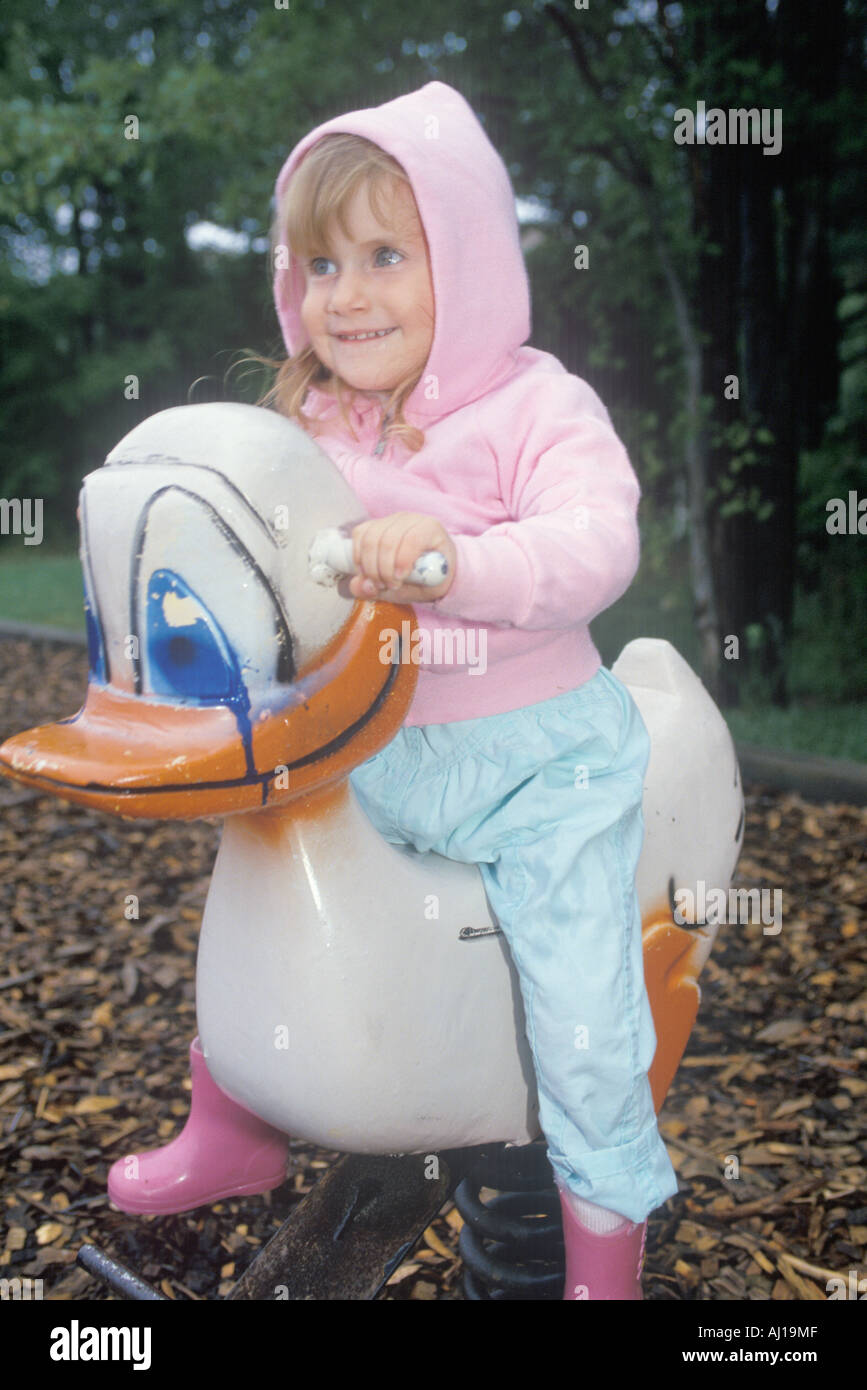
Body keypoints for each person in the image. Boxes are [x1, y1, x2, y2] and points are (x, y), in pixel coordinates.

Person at [109, 80, 679, 1301]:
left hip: (541, 769)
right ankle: (238, 1115)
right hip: (381, 751)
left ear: (466, 264)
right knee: (260, 873)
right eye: (319, 263)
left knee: (581, 1019)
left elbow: (598, 546)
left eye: (383, 254)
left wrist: (457, 564)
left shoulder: (539, 404)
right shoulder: (316, 423)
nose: (346, 294)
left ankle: (600, 1249)